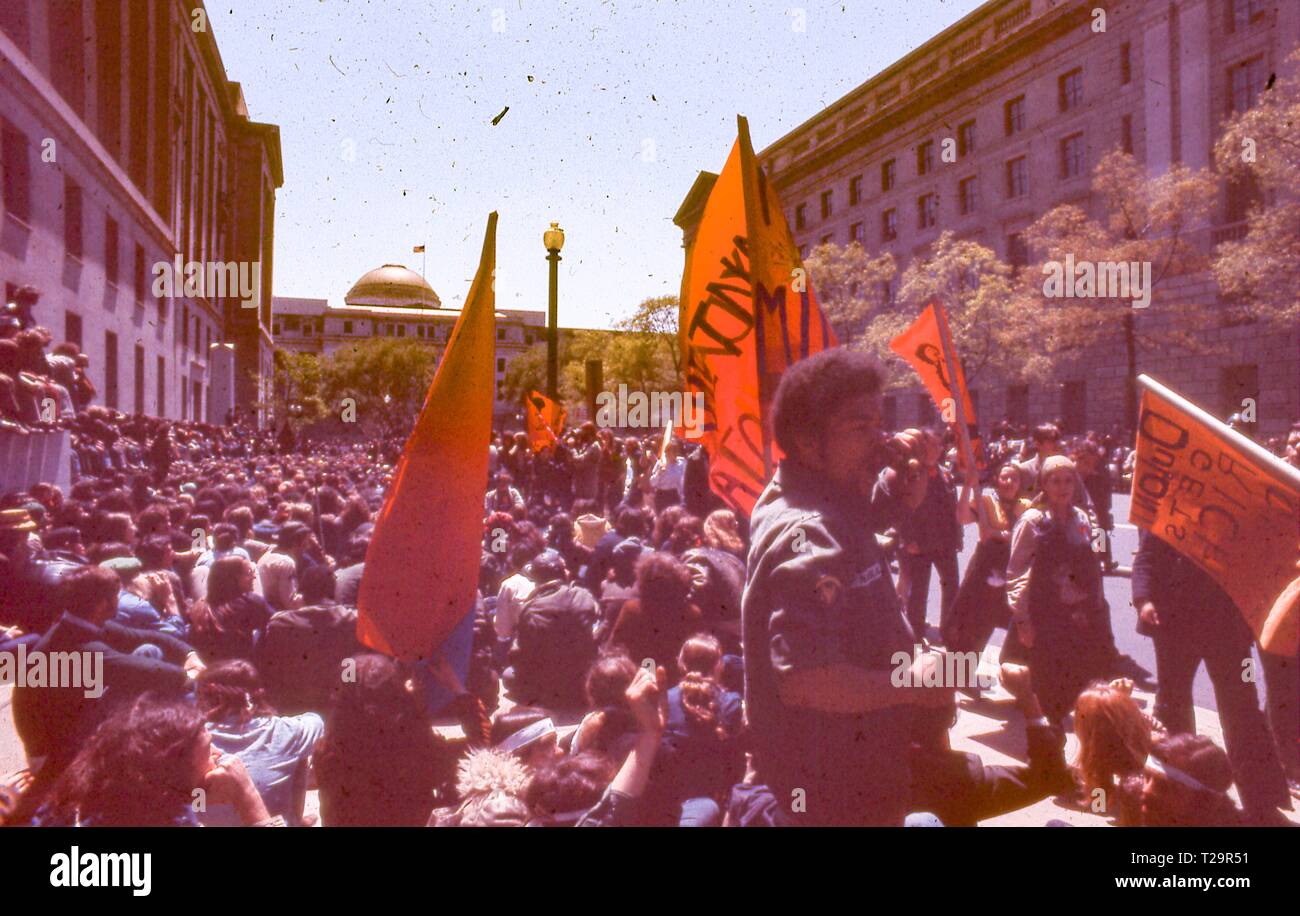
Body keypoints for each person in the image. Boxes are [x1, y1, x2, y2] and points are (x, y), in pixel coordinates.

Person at [741, 348, 950, 827]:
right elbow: (805, 680)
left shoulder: (807, 493)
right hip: (835, 794)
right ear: (809, 442)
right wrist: (913, 684)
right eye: (860, 427)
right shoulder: (810, 532)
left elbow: (856, 527)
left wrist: (904, 486)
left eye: (880, 423)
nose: (880, 441)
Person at [1130, 529, 1291, 824]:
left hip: (1228, 627)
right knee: (1171, 704)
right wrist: (1143, 600)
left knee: (1243, 709)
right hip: (1173, 623)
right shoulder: (1173, 509)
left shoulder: (1241, 513)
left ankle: (1262, 800)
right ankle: (1171, 790)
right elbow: (1146, 558)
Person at [18, 696, 281, 827]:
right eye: (208, 748)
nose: (218, 755)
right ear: (170, 770)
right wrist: (248, 798)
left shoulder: (75, 801)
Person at [1005, 456, 1110, 725]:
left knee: (1078, 683)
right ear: (1044, 483)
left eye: (1068, 481)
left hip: (1077, 619)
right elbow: (1017, 572)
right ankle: (1047, 746)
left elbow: (1093, 564)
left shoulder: (1083, 518)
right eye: (1055, 481)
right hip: (1046, 619)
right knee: (1047, 688)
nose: (1062, 487)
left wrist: (1096, 607)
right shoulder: (1032, 521)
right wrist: (1022, 619)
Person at [196, 660, 324, 826]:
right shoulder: (287, 731)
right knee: (299, 751)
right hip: (265, 821)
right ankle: (295, 821)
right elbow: (316, 721)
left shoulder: (197, 736)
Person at [943, 462, 1030, 660]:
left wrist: (995, 533)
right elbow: (962, 517)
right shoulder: (986, 502)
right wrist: (966, 486)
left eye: (1014, 478)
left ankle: (1007, 669)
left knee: (1000, 622)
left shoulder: (1026, 507)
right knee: (969, 620)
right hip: (983, 566)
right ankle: (960, 669)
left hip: (1010, 568)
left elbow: (1025, 537)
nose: (1009, 482)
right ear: (996, 480)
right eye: (1004, 477)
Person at [895, 428, 962, 638]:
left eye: (939, 445)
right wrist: (907, 538)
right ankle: (915, 635)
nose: (937, 449)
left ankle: (947, 630)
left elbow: (953, 508)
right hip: (919, 544)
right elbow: (901, 509)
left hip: (945, 543)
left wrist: (958, 537)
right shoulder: (911, 472)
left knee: (952, 588)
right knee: (919, 592)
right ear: (922, 447)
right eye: (933, 445)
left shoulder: (946, 473)